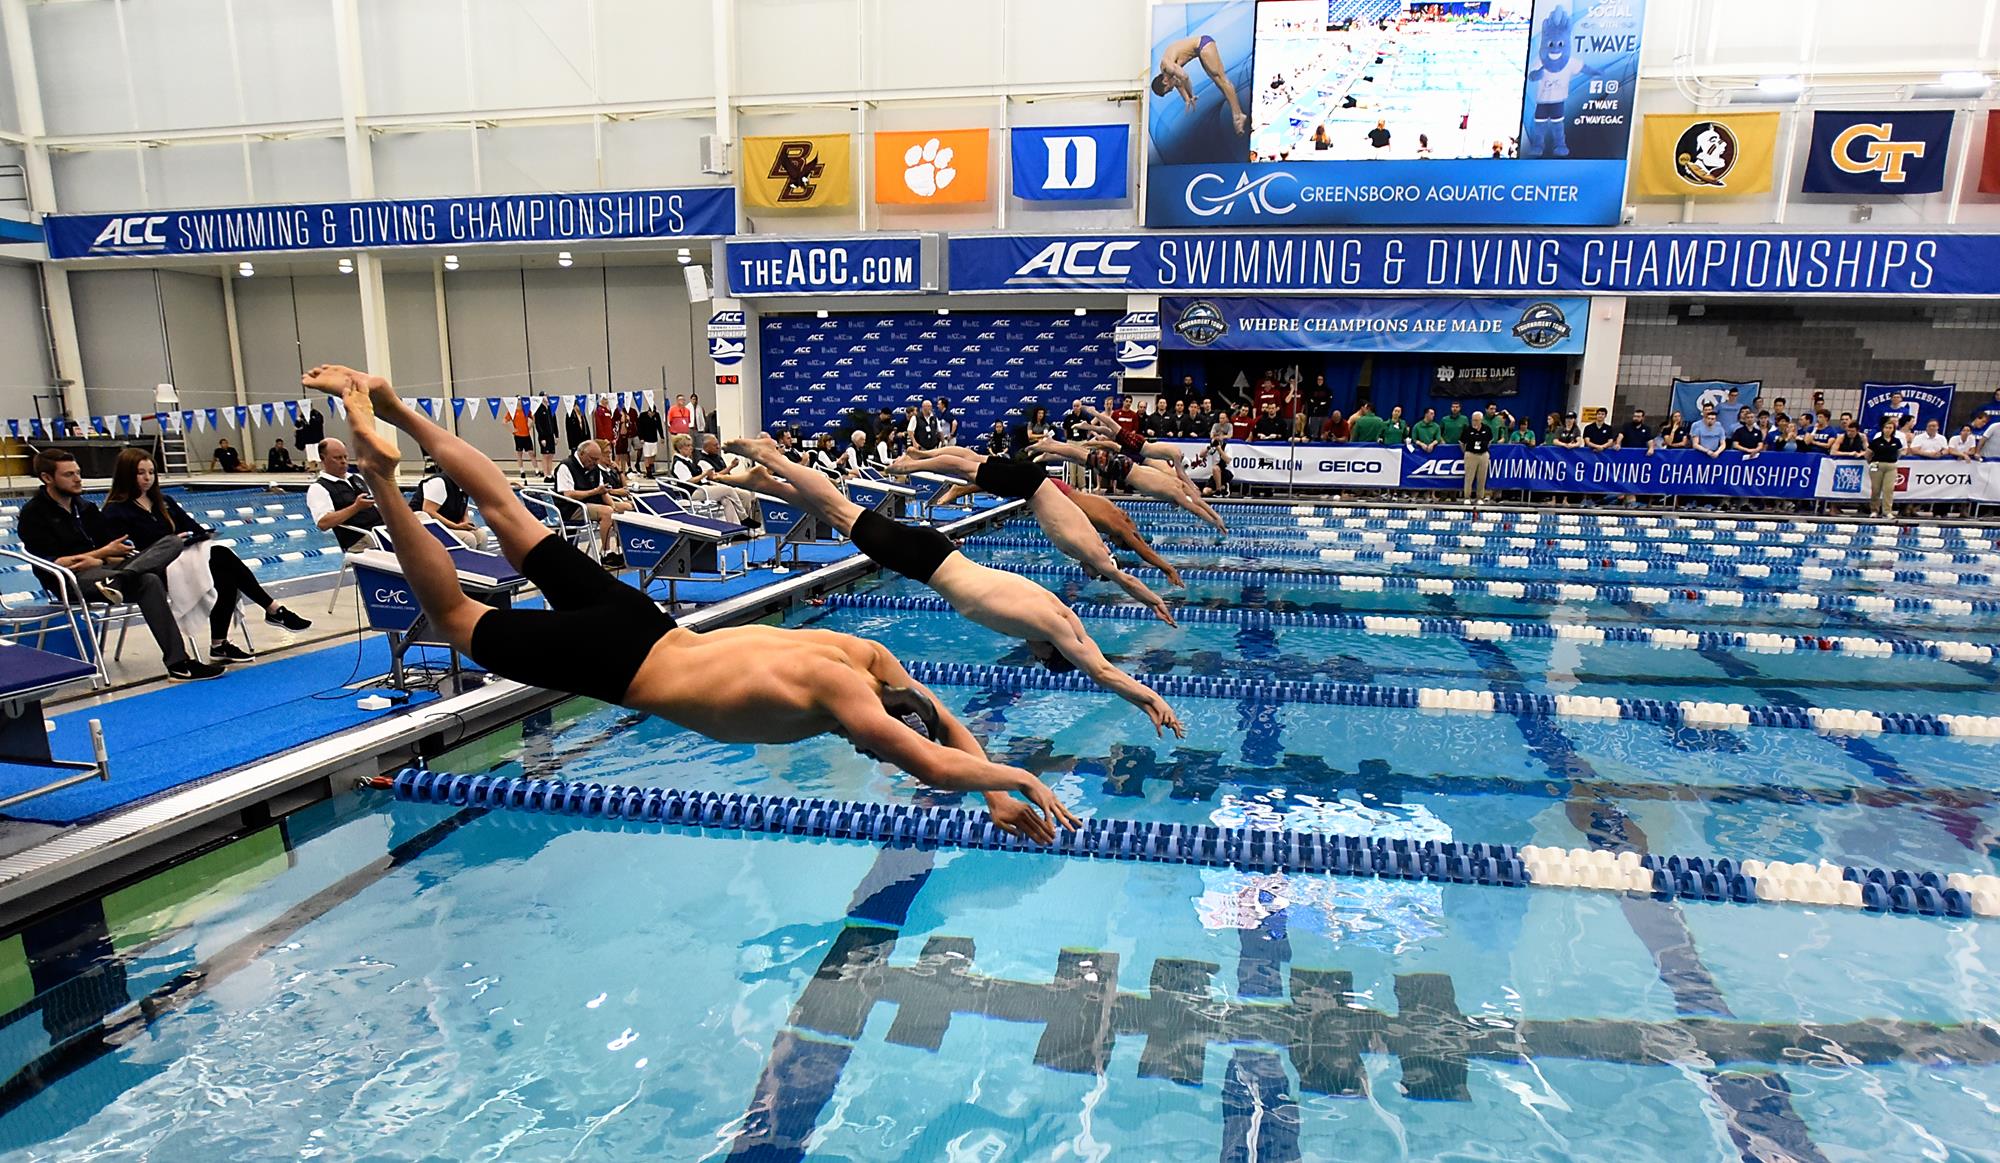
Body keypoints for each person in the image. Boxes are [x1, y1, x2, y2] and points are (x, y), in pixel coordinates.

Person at [300, 366, 1075, 842]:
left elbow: (938, 723)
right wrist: (1014, 783)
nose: (871, 753)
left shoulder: (872, 661)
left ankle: (398, 407)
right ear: (875, 730)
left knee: (507, 512)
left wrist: (996, 791)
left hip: (647, 624)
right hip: (625, 663)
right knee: (456, 622)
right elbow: (930, 758)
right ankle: (379, 475)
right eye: (876, 747)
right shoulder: (852, 702)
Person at [720, 437, 1184, 738]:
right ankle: (772, 458)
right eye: (1038, 655)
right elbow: (1101, 672)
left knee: (837, 514)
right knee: (841, 511)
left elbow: (1097, 654)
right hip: (927, 563)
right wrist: (1151, 700)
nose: (1031, 652)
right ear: (1051, 650)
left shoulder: (1062, 612)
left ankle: (766, 481)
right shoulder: (1052, 628)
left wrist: (1149, 600)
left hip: (940, 552)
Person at [887, 443, 1178, 625]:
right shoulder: (1096, 555)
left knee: (971, 461)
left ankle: (922, 455)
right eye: (1093, 575)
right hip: (1031, 486)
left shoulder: (1092, 547)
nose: (1088, 576)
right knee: (965, 468)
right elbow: (1125, 580)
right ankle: (911, 465)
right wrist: (1155, 602)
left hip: (1034, 483)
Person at [17, 450, 224, 681]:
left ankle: (177, 663)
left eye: (78, 473)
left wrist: (103, 558)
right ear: (47, 478)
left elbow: (117, 553)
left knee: (172, 542)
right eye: (69, 474)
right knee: (148, 579)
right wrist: (102, 554)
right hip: (70, 581)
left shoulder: (86, 509)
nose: (77, 479)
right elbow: (55, 563)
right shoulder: (34, 514)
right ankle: (178, 660)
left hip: (109, 573)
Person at [103, 448, 313, 662]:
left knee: (224, 572)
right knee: (221, 557)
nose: (147, 478)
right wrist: (171, 542)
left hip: (186, 561)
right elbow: (125, 552)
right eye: (140, 473)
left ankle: (221, 644)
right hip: (156, 570)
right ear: (127, 474)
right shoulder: (116, 511)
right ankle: (270, 610)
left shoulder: (164, 502)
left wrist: (194, 537)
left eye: (151, 472)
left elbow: (195, 527)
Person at [1029, 440, 1230, 537]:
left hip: (1126, 465)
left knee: (1081, 456)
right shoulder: (1177, 494)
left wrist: (1215, 515)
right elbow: (1196, 507)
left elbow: (1198, 500)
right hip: (1122, 470)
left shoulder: (1180, 483)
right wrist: (1215, 521)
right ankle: (1044, 446)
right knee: (1079, 455)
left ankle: (1049, 451)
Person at [553, 439, 633, 565]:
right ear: (582, 454)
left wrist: (613, 505)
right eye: (593, 459)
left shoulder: (594, 468)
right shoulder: (566, 466)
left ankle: (621, 549)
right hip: (571, 507)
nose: (595, 463)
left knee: (627, 507)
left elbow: (603, 492)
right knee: (607, 512)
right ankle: (606, 554)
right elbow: (568, 495)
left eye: (597, 459)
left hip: (591, 503)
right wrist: (594, 492)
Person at [1152, 33, 1248, 135]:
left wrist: (1191, 94)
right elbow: (1178, 84)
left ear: (1165, 82)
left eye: (1168, 89)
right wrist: (1187, 99)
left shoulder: (1167, 65)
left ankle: (1238, 115)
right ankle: (1236, 112)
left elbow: (1184, 77)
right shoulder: (1167, 73)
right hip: (1200, 51)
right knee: (1219, 83)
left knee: (1222, 80)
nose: (1171, 90)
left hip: (1203, 45)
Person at [306, 438, 388, 551]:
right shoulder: (318, 488)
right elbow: (323, 523)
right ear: (323, 458)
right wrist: (356, 507)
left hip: (382, 530)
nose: (343, 461)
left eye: (345, 457)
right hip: (362, 538)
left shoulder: (356, 478)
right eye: (337, 458)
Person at [416, 463, 489, 550]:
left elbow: (464, 512)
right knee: (468, 538)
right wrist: (455, 526)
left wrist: (467, 525)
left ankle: (478, 563)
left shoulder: (464, 485)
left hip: (447, 526)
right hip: (424, 526)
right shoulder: (439, 482)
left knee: (481, 535)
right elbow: (428, 511)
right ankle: (461, 563)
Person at [1867, 414, 1902, 519]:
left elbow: (1899, 453)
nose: (1888, 430)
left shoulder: (1896, 441)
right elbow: (1868, 454)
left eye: (1890, 428)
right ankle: (1874, 510)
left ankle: (1887, 511)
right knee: (1876, 489)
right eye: (1886, 427)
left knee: (1889, 489)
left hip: (1891, 466)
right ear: (1882, 429)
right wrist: (1872, 463)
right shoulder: (1876, 441)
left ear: (1893, 429)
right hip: (1877, 465)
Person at [1460, 408, 1493, 509]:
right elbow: (1461, 442)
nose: (1474, 422)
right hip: (1471, 454)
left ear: (1481, 420)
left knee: (1482, 477)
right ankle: (1467, 497)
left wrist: (1484, 449)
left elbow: (1490, 441)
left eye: (1476, 420)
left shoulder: (1486, 429)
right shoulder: (1467, 430)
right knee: (1469, 477)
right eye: (1473, 420)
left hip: (1483, 455)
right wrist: (1466, 452)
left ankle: (1480, 498)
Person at [636, 402, 663, 477]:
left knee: (653, 455)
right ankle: (648, 472)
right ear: (648, 411)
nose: (652, 414)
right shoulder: (642, 416)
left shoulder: (657, 415)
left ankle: (651, 468)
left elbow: (659, 426)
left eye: (653, 413)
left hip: (654, 438)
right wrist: (641, 438)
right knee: (647, 456)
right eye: (651, 413)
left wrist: (662, 436)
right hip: (645, 439)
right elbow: (639, 427)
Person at [534, 400, 560, 476]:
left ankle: (550, 473)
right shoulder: (539, 409)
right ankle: (546, 474)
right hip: (544, 436)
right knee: (545, 455)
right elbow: (538, 425)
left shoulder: (551, 408)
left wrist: (557, 435)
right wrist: (542, 438)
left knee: (551, 455)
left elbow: (555, 423)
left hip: (551, 435)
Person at [509, 402, 535, 477]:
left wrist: (529, 427)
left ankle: (536, 470)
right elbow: (504, 421)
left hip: (526, 435)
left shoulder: (526, 410)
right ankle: (522, 470)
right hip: (518, 436)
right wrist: (512, 430)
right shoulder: (512, 411)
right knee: (519, 453)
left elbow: (533, 418)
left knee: (531, 453)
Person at [297, 406, 324, 471]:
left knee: (319, 457)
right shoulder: (302, 416)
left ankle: (322, 471)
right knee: (311, 458)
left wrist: (309, 420)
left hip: (317, 440)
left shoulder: (316, 414)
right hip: (308, 440)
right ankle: (312, 471)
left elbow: (318, 423)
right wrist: (298, 419)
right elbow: (298, 427)